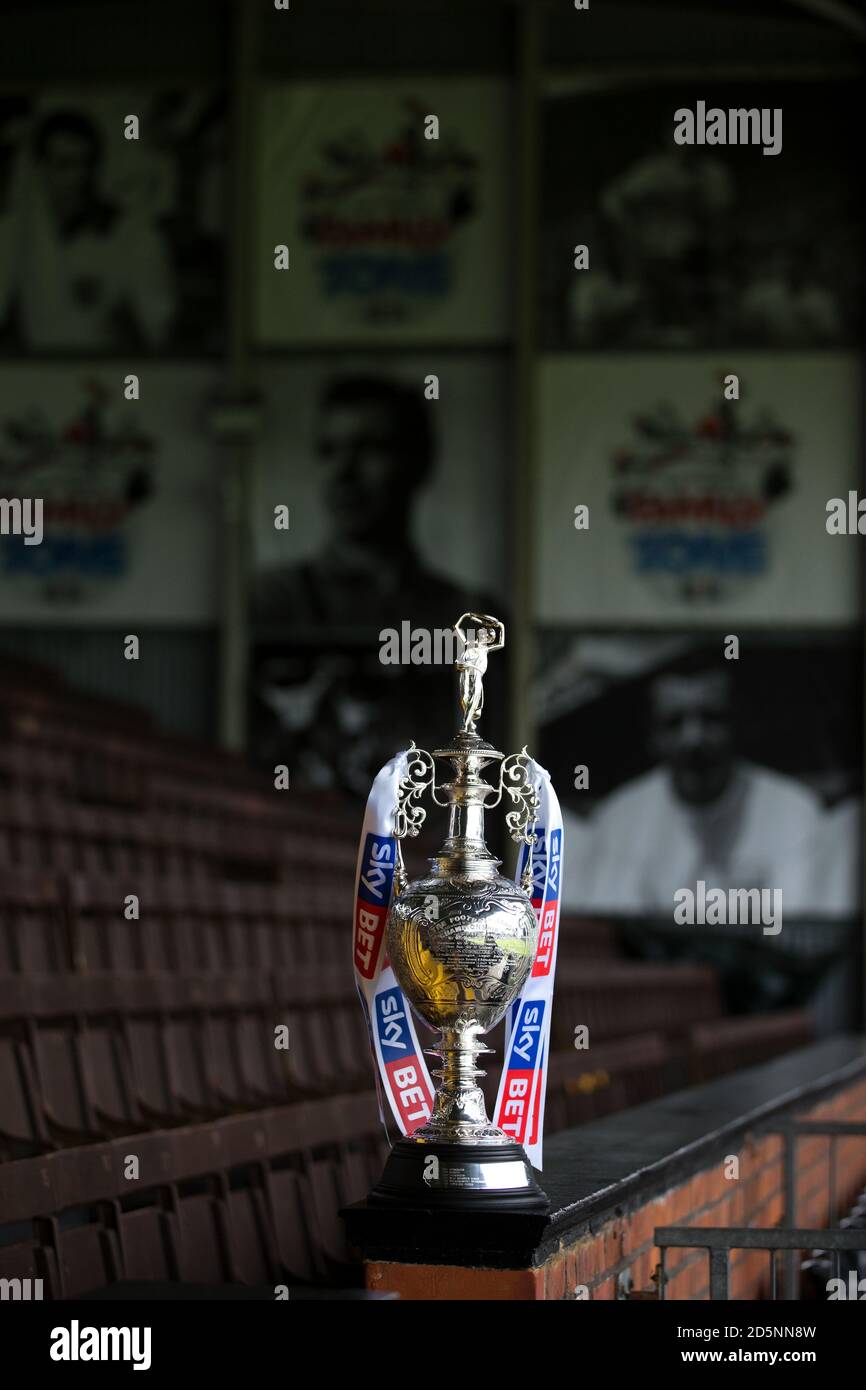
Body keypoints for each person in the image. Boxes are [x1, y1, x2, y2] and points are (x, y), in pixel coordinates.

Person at [562, 657, 826, 915]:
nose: (693, 739)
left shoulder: (793, 813)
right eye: (674, 722)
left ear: (739, 724)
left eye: (711, 718)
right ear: (654, 735)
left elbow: (798, 931)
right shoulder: (620, 822)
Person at [3, 109, 173, 349]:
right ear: (40, 169)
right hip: (37, 377)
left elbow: (158, 330)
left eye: (87, 164)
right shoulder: (14, 233)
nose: (78, 177)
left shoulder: (133, 235)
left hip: (110, 374)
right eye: (64, 165)